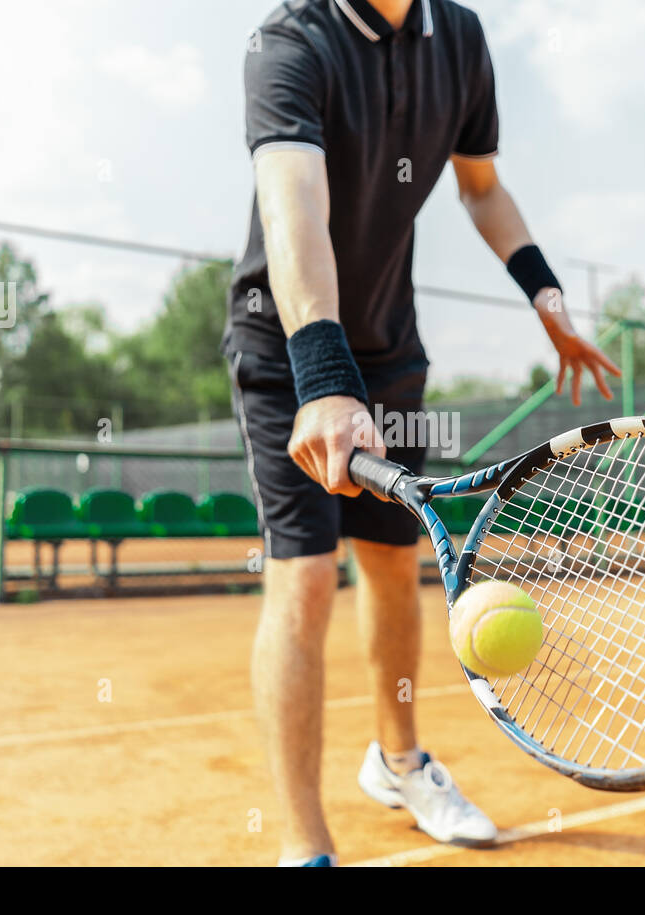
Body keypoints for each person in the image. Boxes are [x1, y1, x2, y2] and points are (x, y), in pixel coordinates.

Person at [223, 0, 620, 867]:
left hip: (391, 350)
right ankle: (303, 843)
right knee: (304, 581)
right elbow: (294, 208)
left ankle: (399, 762)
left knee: (395, 569)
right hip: (288, 346)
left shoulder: (461, 36)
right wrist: (325, 382)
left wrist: (549, 304)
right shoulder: (289, 43)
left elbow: (482, 187)